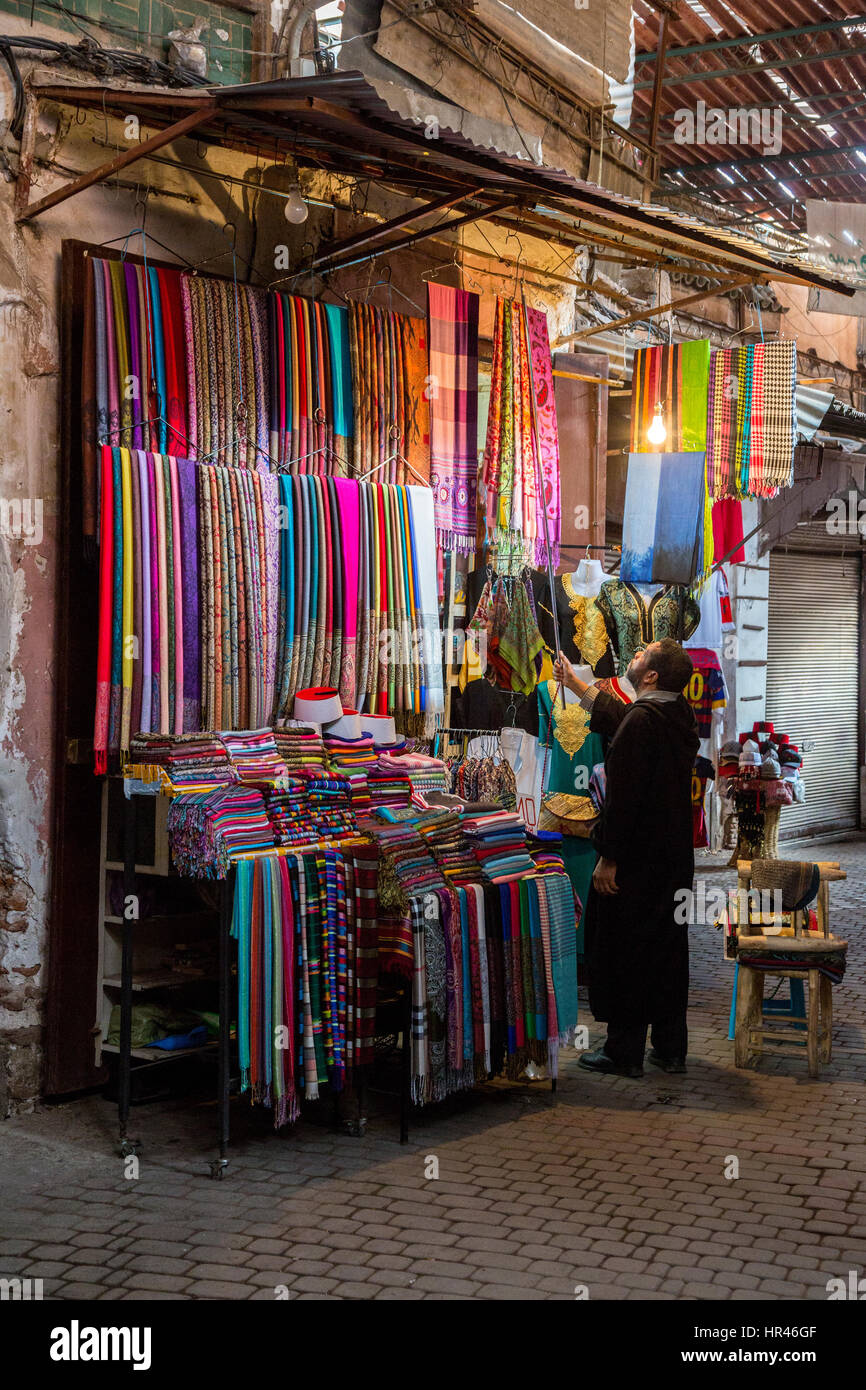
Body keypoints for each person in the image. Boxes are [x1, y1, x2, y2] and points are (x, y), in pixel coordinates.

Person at [553, 638, 699, 1078]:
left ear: (651, 675)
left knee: (625, 949)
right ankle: (670, 1049)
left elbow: (625, 800)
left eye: (641, 655)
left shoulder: (643, 721)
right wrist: (578, 686)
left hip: (636, 860)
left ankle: (624, 1051)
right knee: (667, 949)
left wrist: (609, 857)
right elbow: (626, 720)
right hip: (673, 858)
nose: (634, 656)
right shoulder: (676, 714)